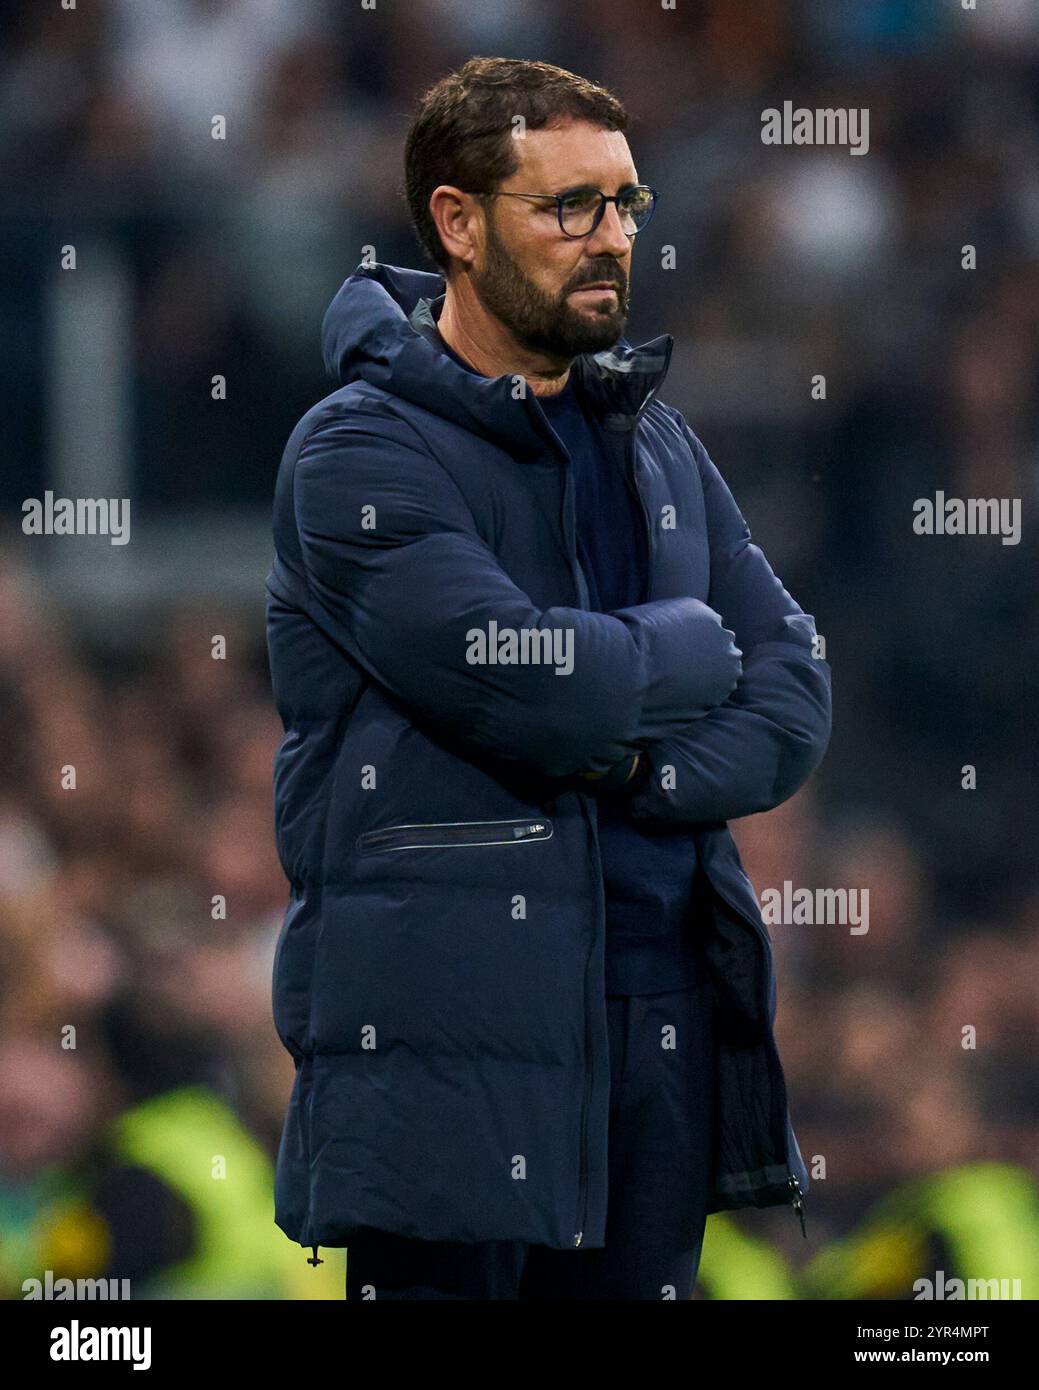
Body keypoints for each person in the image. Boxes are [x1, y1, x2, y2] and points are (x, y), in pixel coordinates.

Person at [266, 56, 831, 1300]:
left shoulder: (655, 439)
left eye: (626, 203)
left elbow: (793, 690)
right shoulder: (358, 447)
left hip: (661, 1028)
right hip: (450, 1048)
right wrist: (683, 652)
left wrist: (642, 758)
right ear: (458, 225)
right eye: (568, 205)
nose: (612, 238)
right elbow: (532, 687)